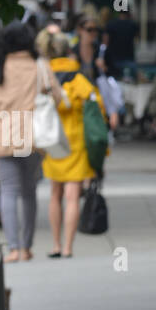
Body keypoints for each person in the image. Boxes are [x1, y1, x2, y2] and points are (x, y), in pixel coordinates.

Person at [0, 22, 65, 263]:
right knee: (28, 192)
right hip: (33, 135)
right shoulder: (40, 66)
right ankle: (26, 247)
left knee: (8, 190)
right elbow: (58, 96)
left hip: (3, 131)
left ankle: (13, 248)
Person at [39, 31, 108, 258]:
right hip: (75, 143)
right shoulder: (78, 79)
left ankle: (55, 245)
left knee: (55, 194)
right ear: (69, 51)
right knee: (71, 196)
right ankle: (68, 247)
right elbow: (97, 108)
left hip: (51, 143)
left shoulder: (44, 78)